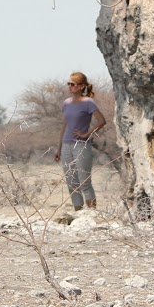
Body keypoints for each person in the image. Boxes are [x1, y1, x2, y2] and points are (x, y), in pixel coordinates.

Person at [53, 71, 107, 211]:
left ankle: (92, 213)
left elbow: (101, 121)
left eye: (73, 84)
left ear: (82, 86)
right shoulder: (66, 103)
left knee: (84, 181)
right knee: (71, 182)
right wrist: (58, 148)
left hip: (81, 145)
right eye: (69, 84)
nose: (70, 86)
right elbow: (64, 125)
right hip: (66, 145)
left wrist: (86, 134)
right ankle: (78, 213)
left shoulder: (88, 102)